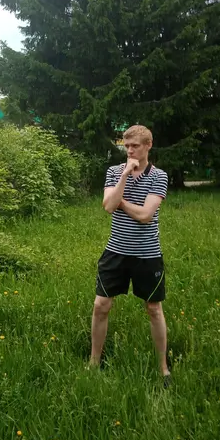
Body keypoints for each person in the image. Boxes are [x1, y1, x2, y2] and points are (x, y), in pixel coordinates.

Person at [90, 125, 171, 386]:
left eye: (135, 146)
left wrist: (120, 202)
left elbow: (145, 216)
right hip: (115, 251)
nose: (130, 151)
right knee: (101, 306)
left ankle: (163, 368)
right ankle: (94, 362)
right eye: (126, 146)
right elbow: (107, 207)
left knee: (154, 309)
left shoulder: (159, 176)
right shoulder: (115, 172)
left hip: (147, 254)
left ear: (148, 145)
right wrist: (125, 175)